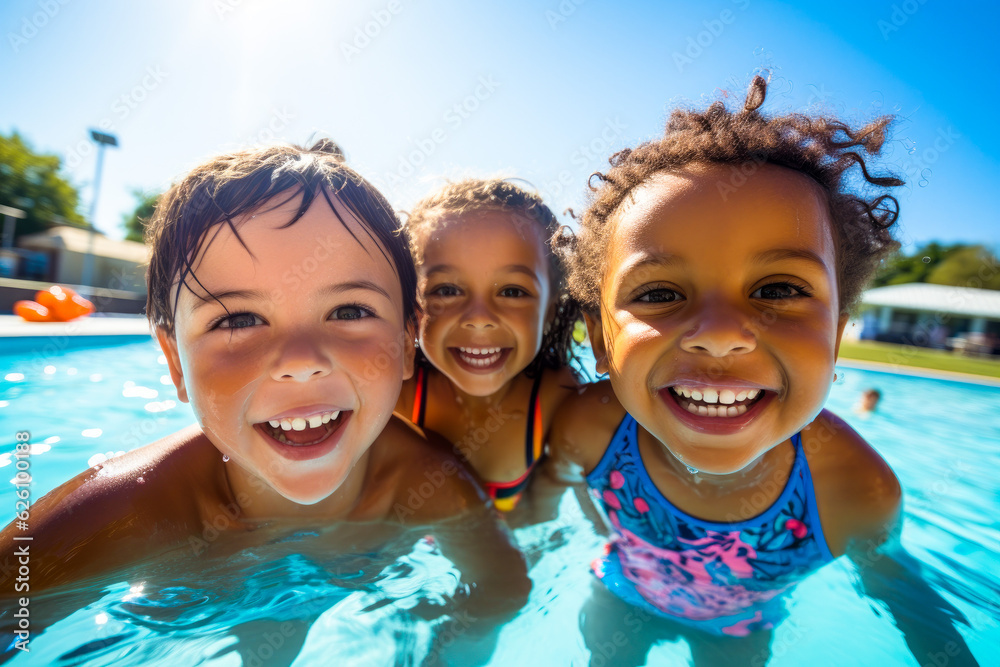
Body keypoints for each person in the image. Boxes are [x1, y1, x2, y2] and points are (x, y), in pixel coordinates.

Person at [0, 142, 529, 648]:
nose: (301, 362)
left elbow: (502, 590)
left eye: (349, 311)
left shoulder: (429, 486)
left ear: (407, 341)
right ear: (174, 362)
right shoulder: (125, 514)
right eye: (239, 319)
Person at [548, 77, 978, 665]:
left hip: (740, 630)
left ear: (835, 338)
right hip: (622, 592)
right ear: (600, 339)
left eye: (777, 288)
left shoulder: (854, 493)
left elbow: (905, 600)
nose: (720, 334)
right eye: (660, 292)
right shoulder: (585, 428)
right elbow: (558, 491)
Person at [394, 179, 580, 511]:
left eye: (512, 291)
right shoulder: (397, 398)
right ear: (412, 304)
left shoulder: (555, 395)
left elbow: (548, 505)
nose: (479, 318)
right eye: (447, 290)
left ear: (550, 310)